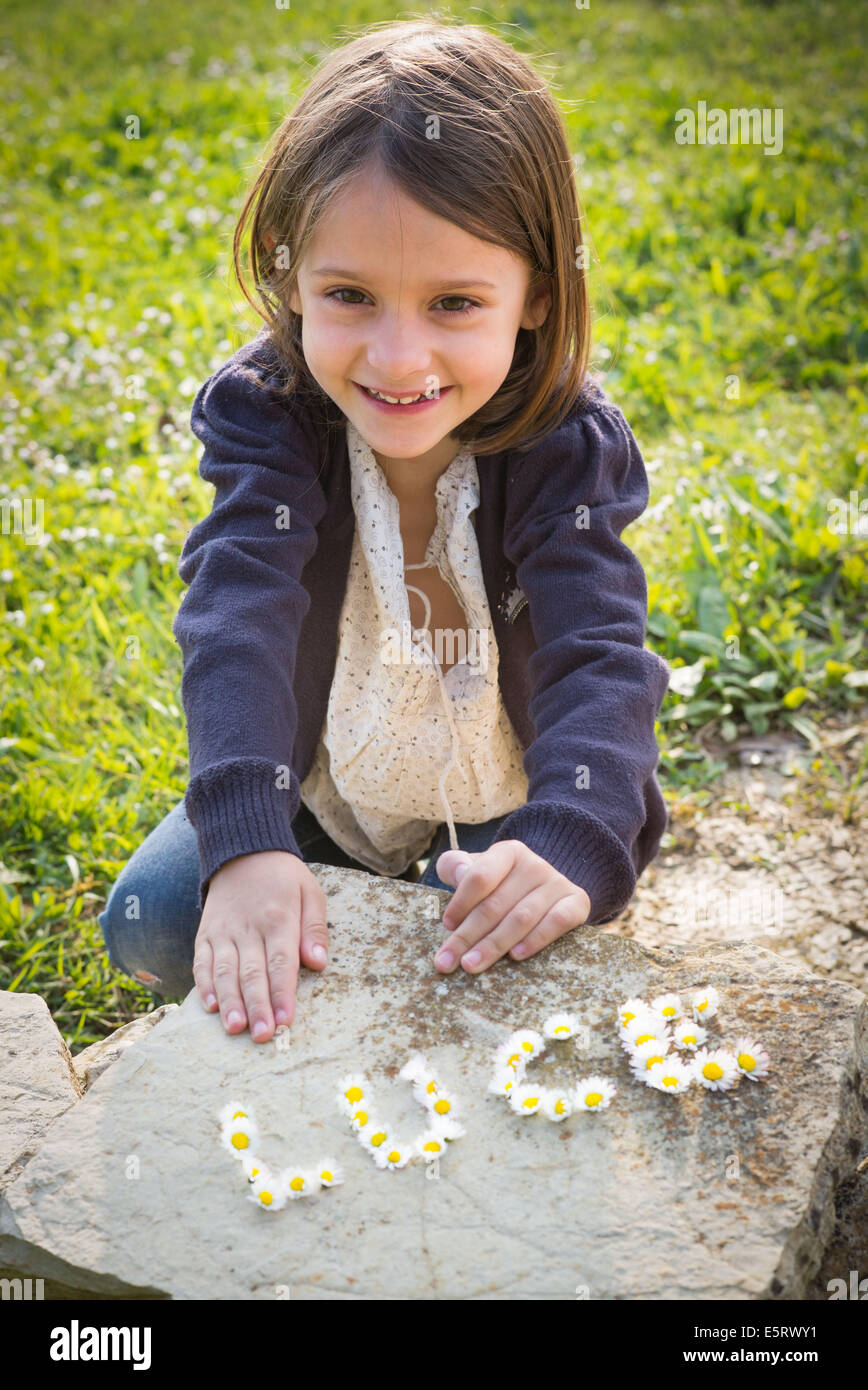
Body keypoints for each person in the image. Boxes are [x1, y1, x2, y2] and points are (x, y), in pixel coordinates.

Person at [99, 18, 670, 1042]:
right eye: (349, 296)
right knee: (156, 923)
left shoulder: (565, 445)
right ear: (288, 278)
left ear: (536, 292)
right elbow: (239, 616)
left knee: (524, 963)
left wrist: (568, 837)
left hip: (502, 789)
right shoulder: (265, 410)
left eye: (455, 302)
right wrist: (246, 843)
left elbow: (601, 656)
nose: (398, 358)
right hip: (329, 777)